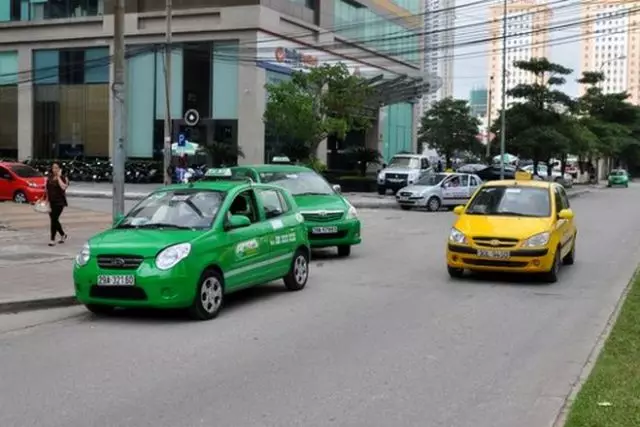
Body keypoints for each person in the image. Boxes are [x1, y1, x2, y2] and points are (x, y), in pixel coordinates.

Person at [43, 162, 69, 246]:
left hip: (59, 202)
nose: (55, 169)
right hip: (51, 201)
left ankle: (52, 239)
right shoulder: (50, 177)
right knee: (54, 220)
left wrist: (58, 177)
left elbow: (63, 187)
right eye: (53, 167)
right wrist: (46, 200)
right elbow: (47, 189)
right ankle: (63, 235)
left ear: (60, 169)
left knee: (53, 219)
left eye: (57, 168)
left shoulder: (63, 177)